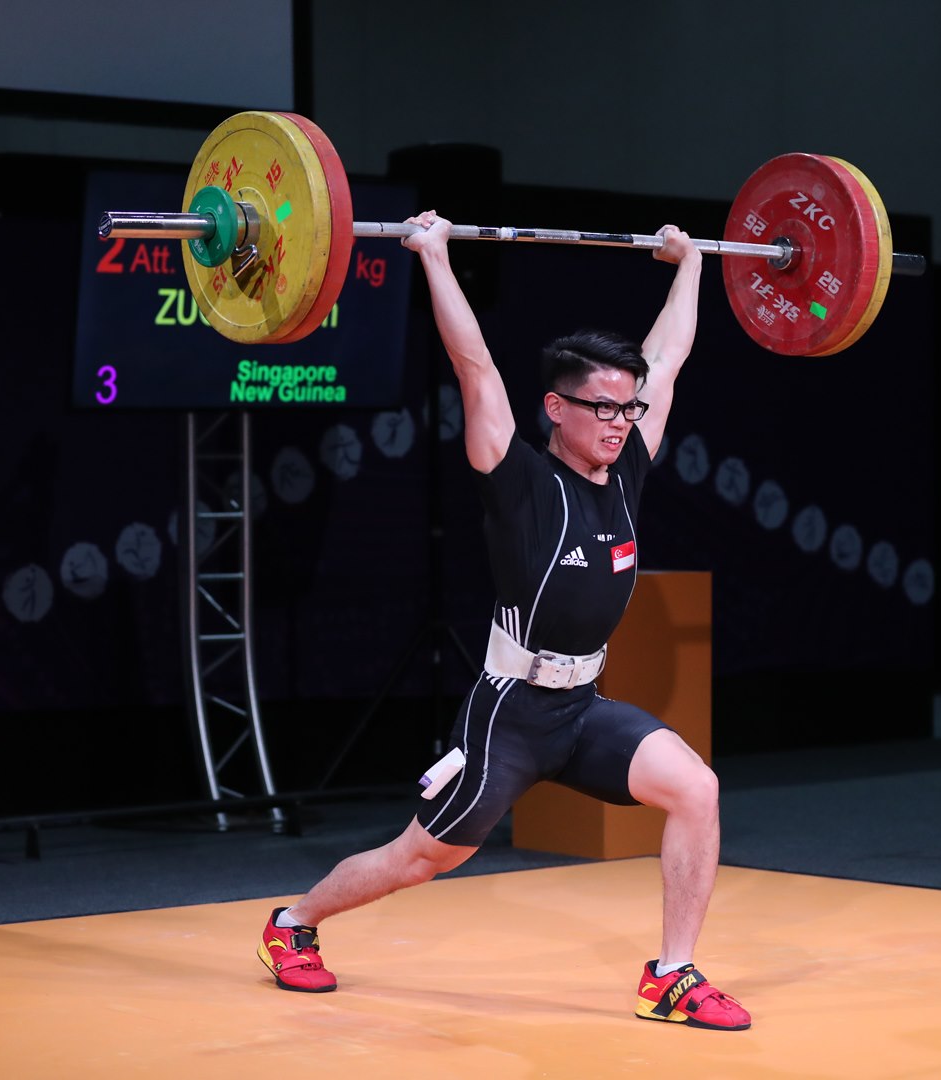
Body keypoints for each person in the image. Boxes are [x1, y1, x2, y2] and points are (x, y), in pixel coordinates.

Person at [256, 210, 750, 1031]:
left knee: (697, 789)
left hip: (581, 708)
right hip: (509, 716)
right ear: (556, 408)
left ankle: (671, 976)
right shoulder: (516, 480)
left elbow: (669, 359)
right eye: (604, 409)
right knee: (422, 859)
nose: (621, 423)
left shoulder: (625, 467)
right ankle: (292, 925)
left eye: (629, 410)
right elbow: (474, 362)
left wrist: (689, 263)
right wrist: (433, 255)